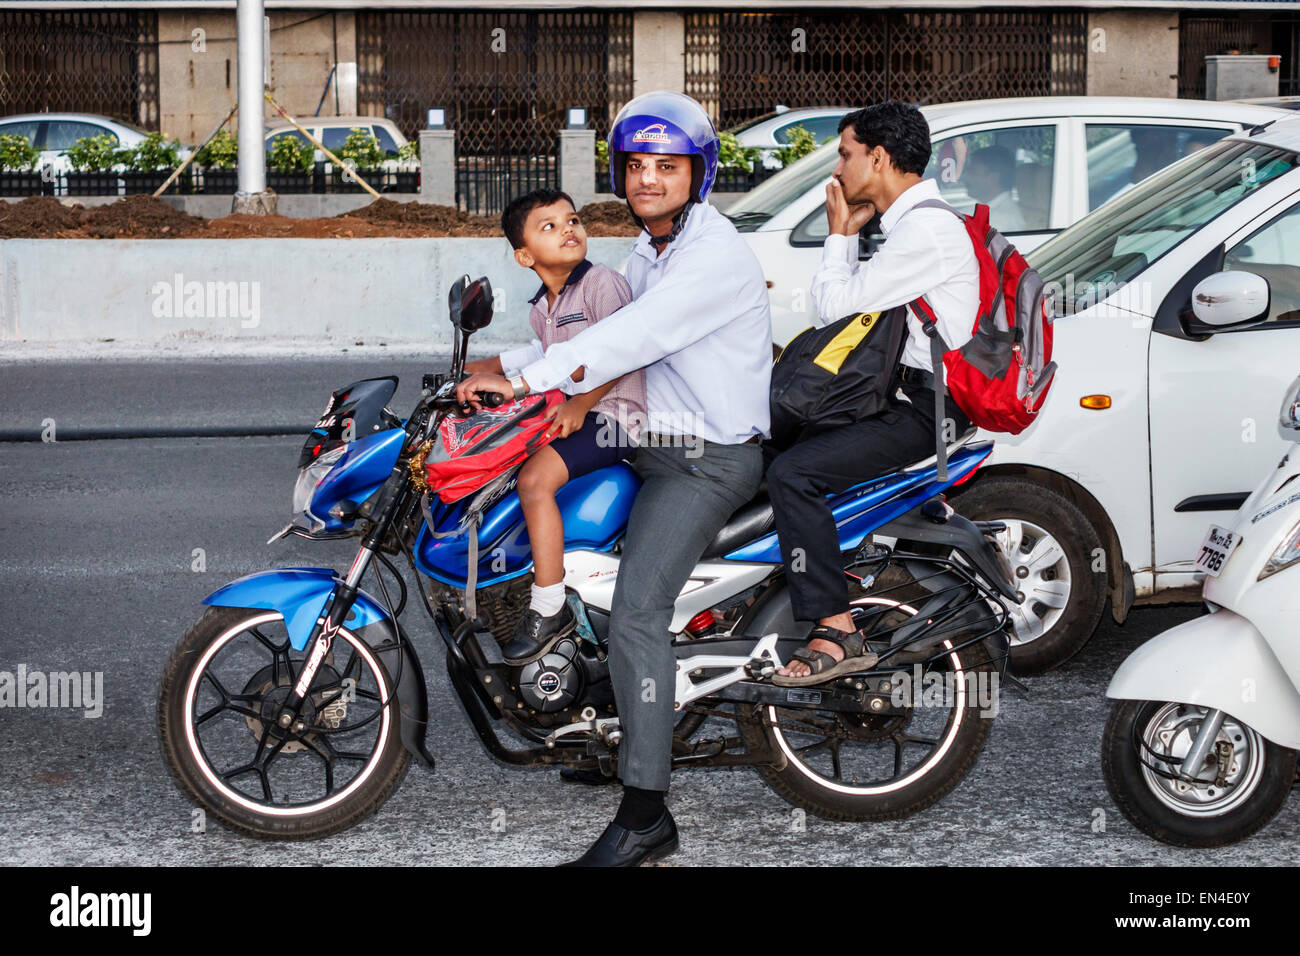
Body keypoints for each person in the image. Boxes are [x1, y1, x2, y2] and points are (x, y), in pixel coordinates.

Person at [457, 90, 772, 866]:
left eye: (667, 166)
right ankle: (598, 717)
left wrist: (527, 383)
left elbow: (631, 336)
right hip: (645, 439)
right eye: (636, 166)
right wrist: (493, 367)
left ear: (698, 174)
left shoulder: (711, 253)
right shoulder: (649, 252)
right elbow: (591, 336)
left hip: (701, 458)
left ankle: (646, 816)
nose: (648, 180)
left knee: (635, 610)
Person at [766, 100, 978, 685]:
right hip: (902, 399)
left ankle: (835, 629)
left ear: (878, 158)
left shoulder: (928, 230)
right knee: (771, 444)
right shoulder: (914, 224)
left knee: (794, 475)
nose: (836, 170)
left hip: (924, 412)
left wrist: (838, 236)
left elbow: (836, 307)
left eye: (845, 154)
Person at [463, 188, 647, 665]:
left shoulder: (601, 283)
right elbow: (545, 360)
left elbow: (627, 351)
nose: (568, 229)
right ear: (524, 256)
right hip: (583, 411)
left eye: (572, 220)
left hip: (618, 415)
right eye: (549, 226)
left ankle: (549, 605)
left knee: (534, 480)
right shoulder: (541, 307)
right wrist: (469, 372)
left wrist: (581, 405)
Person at [963, 145, 1026, 232]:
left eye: (973, 172)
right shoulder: (988, 210)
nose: (966, 178)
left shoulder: (1000, 220)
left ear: (993, 178)